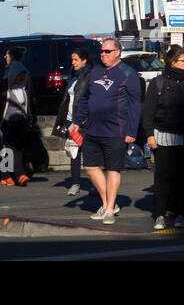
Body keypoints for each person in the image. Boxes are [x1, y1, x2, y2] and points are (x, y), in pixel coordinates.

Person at [76, 37, 142, 225]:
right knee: (90, 167)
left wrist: (132, 131)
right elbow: (85, 99)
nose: (102, 55)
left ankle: (109, 209)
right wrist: (76, 121)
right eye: (102, 51)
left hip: (116, 130)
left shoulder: (128, 74)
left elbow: (136, 104)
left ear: (117, 53)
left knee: (113, 168)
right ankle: (107, 204)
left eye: (107, 51)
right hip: (93, 130)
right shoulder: (96, 71)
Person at [143, 44, 184, 230]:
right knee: (163, 178)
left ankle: (180, 214)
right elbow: (148, 112)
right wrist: (149, 135)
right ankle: (160, 215)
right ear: (173, 63)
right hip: (163, 136)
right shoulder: (158, 83)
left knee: (182, 177)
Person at [0, 46, 40, 187]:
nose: (5, 57)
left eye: (7, 55)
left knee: (10, 147)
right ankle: (14, 174)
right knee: (12, 147)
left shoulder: (15, 74)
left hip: (13, 118)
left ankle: (9, 174)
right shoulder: (15, 88)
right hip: (14, 118)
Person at [54, 48, 92, 196]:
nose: (73, 63)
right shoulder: (74, 76)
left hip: (84, 121)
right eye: (72, 59)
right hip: (71, 120)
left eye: (76, 59)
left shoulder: (89, 76)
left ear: (84, 60)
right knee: (73, 152)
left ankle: (94, 184)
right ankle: (75, 183)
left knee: (89, 154)